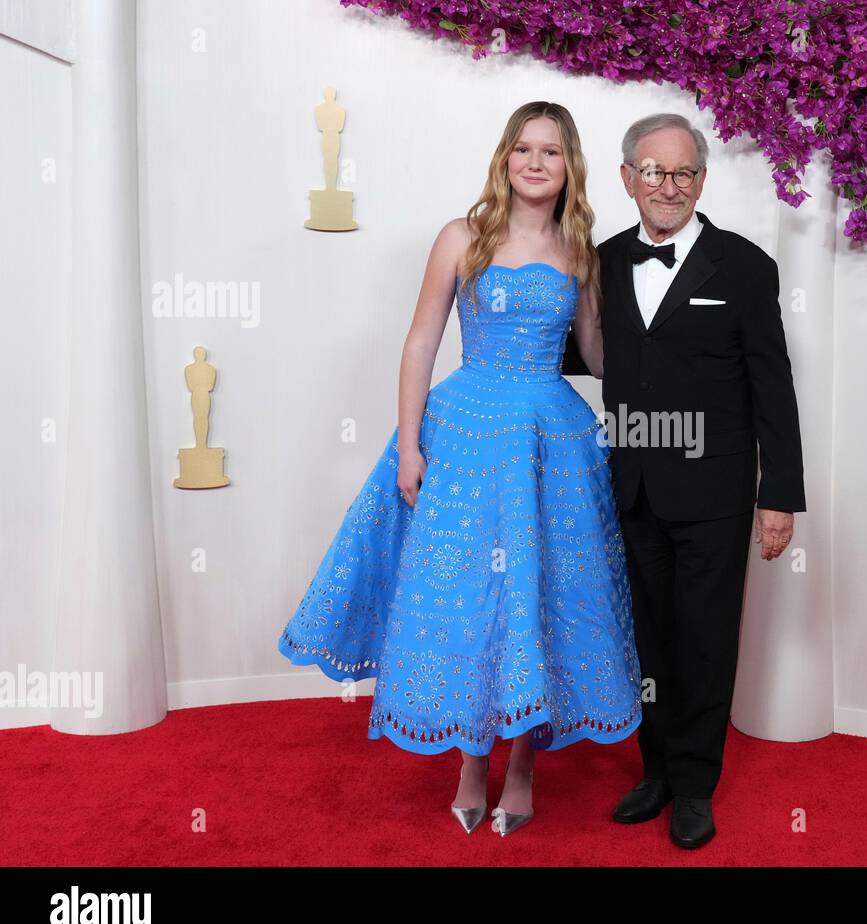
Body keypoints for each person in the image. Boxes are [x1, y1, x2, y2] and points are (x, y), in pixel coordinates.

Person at [279, 101, 642, 838]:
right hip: (465, 434)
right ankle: (471, 758)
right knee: (467, 595)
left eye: (551, 151)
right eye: (522, 149)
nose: (535, 163)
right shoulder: (462, 235)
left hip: (549, 437)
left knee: (535, 598)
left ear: (571, 165)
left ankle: (521, 767)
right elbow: (419, 344)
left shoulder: (581, 250)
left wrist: (678, 365)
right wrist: (410, 444)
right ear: (504, 159)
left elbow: (600, 355)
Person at [561, 113, 806, 848]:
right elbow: (576, 359)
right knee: (647, 642)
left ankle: (696, 785)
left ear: (702, 180)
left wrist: (779, 496)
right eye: (653, 171)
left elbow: (774, 388)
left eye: (683, 173)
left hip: (714, 498)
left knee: (703, 641)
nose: (668, 186)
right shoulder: (599, 263)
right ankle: (657, 771)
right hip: (630, 486)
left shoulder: (745, 267)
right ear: (628, 178)